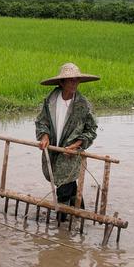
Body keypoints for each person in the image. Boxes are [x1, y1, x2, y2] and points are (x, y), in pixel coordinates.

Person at [35, 62, 99, 218]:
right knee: (69, 185)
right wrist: (44, 136)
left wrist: (77, 145)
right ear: (61, 82)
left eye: (76, 80)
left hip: (70, 153)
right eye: (70, 80)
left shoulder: (83, 105)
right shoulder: (50, 100)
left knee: (64, 188)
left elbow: (91, 130)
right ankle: (80, 214)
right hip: (53, 150)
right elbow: (41, 122)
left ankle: (61, 225)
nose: (74, 83)